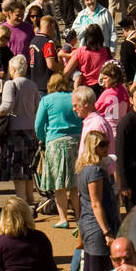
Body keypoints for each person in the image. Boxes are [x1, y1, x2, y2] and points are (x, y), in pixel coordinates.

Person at [76, 129, 121, 271]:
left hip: (88, 223)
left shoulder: (83, 168)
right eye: (101, 144)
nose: (106, 147)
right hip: (97, 227)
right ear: (91, 147)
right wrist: (107, 232)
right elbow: (96, 203)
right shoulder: (95, 171)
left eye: (106, 143)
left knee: (89, 269)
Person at [34, 72, 81, 228]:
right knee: (75, 183)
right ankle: (80, 215)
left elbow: (39, 125)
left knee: (59, 184)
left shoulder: (47, 100)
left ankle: (63, 219)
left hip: (55, 142)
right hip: (76, 140)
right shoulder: (74, 96)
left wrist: (44, 138)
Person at [0, 54, 40, 205]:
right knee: (28, 168)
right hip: (31, 129)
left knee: (18, 169)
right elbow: (37, 107)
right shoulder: (32, 85)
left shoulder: (10, 84)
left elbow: (7, 105)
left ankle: (22, 201)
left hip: (15, 131)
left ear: (13, 69)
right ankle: (30, 199)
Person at [65, 22, 112, 89]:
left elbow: (66, 71)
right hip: (102, 88)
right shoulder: (107, 51)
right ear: (101, 36)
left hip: (84, 89)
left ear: (87, 37)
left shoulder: (80, 51)